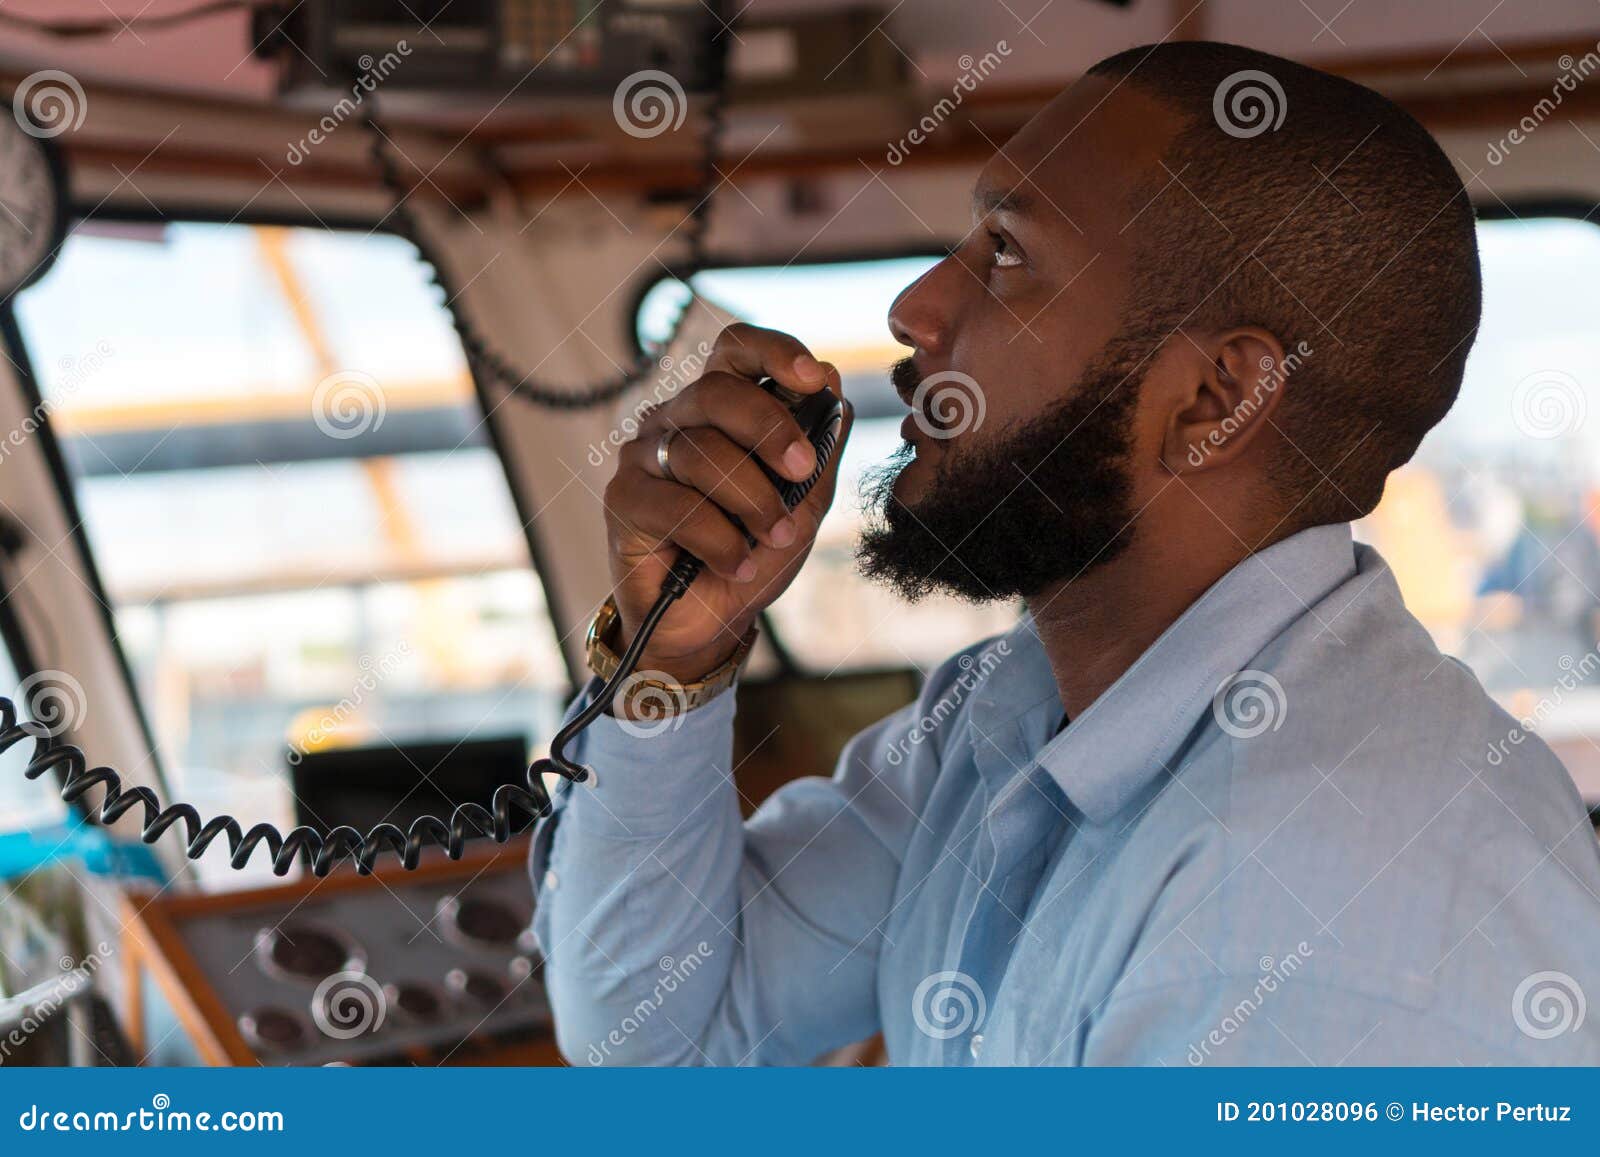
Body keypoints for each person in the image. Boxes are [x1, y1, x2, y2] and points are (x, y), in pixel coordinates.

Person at [530, 41, 1600, 1065]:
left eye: (1006, 252)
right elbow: (658, 1034)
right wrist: (673, 658)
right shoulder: (1006, 719)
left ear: (1216, 400)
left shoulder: (1335, 910)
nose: (917, 308)